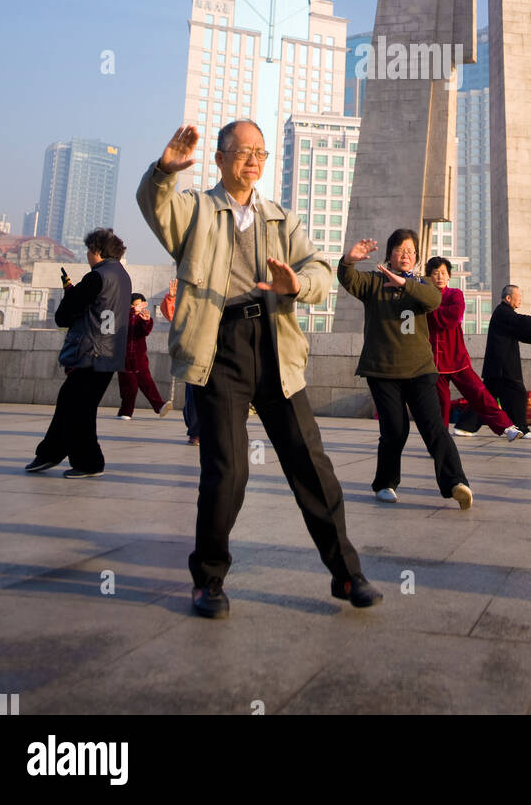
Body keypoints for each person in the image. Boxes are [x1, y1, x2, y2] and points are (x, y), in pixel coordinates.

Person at [137, 120, 381, 618]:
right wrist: (164, 172)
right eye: (242, 152)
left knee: (311, 463)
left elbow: (318, 268)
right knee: (227, 470)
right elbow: (157, 208)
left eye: (260, 153)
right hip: (220, 344)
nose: (253, 160)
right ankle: (208, 580)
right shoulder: (198, 210)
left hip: (274, 340)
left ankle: (346, 573)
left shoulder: (279, 218)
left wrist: (297, 285)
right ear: (220, 159)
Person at [337, 233, 473, 509]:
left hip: (420, 370)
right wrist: (348, 261)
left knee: (434, 427)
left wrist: (406, 284)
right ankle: (385, 483)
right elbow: (349, 279)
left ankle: (456, 483)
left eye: (411, 250)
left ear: (417, 257)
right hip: (383, 370)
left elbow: (433, 300)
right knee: (395, 430)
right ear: (390, 254)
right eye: (400, 250)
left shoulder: (423, 284)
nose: (406, 254)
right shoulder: (374, 282)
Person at [26, 229, 132, 478]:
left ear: (96, 250)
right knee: (74, 405)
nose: (87, 255)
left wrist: (71, 294)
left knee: (76, 408)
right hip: (109, 353)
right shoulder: (122, 277)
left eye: (88, 250)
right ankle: (49, 454)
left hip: (90, 353)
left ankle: (88, 463)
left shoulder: (96, 277)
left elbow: (64, 314)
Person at [424, 257, 520, 441]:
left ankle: (506, 427)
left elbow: (452, 318)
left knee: (479, 393)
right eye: (435, 273)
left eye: (443, 273)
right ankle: (439, 443)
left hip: (457, 359)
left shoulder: (454, 294)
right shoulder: (425, 295)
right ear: (429, 276)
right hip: (433, 362)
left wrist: (430, 310)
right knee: (439, 405)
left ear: (449, 276)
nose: (439, 277)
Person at [457, 285, 531, 438]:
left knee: (489, 397)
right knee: (517, 393)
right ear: (508, 298)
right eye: (519, 296)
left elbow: (526, 336)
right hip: (502, 366)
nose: (521, 299)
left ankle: (466, 426)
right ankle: (520, 428)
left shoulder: (506, 314)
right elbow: (523, 322)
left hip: (500, 365)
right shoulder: (503, 312)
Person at [117, 294, 171, 420]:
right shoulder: (124, 316)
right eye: (135, 304)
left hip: (139, 359)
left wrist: (146, 320)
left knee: (147, 383)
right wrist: (133, 311)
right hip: (124, 359)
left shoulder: (144, 319)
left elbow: (146, 330)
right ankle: (125, 412)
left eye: (140, 304)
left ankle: (160, 406)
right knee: (129, 387)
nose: (138, 307)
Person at [160, 280, 199, 444]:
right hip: (194, 353)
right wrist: (172, 297)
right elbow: (174, 316)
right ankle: (196, 432)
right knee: (194, 394)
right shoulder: (190, 300)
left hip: (219, 351)